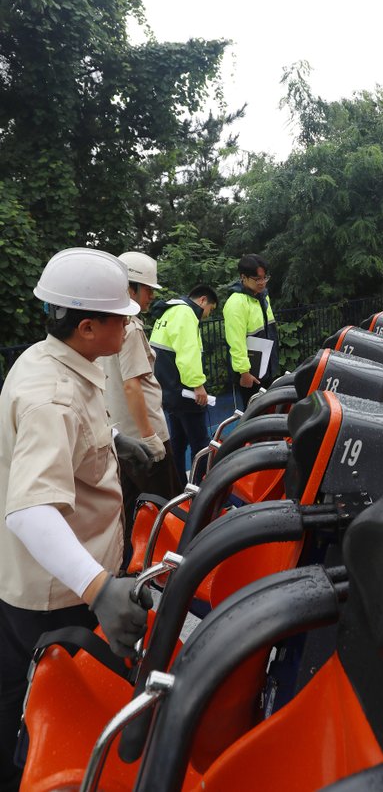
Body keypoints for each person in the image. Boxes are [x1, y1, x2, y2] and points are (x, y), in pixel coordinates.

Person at [0, 248, 153, 792]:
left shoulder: (52, 359)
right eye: (120, 318)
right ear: (87, 327)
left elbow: (68, 434)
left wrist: (112, 439)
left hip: (55, 577)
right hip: (56, 592)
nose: (129, 325)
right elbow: (31, 511)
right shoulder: (53, 397)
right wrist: (99, 588)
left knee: (28, 694)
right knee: (45, 712)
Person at [102, 252, 182, 544]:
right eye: (147, 289)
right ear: (130, 288)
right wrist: (150, 437)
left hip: (121, 435)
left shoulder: (105, 324)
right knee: (168, 507)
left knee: (129, 507)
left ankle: (129, 559)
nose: (151, 296)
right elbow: (132, 386)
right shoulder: (130, 327)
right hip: (145, 435)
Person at [149, 284, 218, 485]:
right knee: (200, 443)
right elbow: (188, 353)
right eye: (210, 309)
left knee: (177, 443)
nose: (208, 315)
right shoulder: (187, 313)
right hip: (185, 392)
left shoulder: (168, 311)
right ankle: (199, 487)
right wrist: (197, 385)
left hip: (168, 390)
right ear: (203, 300)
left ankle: (179, 486)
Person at [223, 254, 279, 409]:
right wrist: (244, 372)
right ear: (243, 277)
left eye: (265, 277)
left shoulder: (263, 296)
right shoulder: (236, 303)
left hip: (266, 366)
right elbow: (236, 341)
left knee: (270, 410)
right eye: (257, 279)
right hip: (250, 373)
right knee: (254, 413)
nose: (262, 282)